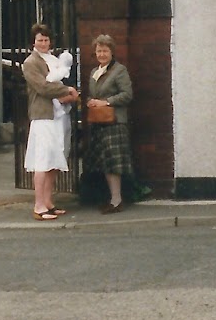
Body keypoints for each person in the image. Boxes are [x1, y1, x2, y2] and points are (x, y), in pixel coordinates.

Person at [22, 23, 78, 220]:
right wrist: (67, 91)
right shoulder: (30, 63)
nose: (43, 43)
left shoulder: (53, 60)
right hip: (43, 117)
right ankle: (38, 206)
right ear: (33, 42)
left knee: (54, 159)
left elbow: (58, 82)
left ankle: (48, 202)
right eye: (40, 40)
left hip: (58, 115)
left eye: (46, 40)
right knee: (43, 160)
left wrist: (67, 92)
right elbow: (43, 87)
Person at [82, 34, 135, 213]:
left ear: (112, 52)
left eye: (105, 51)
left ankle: (117, 200)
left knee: (113, 164)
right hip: (99, 122)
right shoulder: (94, 72)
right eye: (99, 51)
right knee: (105, 163)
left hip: (114, 122)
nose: (102, 54)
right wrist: (91, 101)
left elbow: (127, 94)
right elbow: (94, 94)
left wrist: (105, 102)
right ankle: (113, 199)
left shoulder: (120, 71)